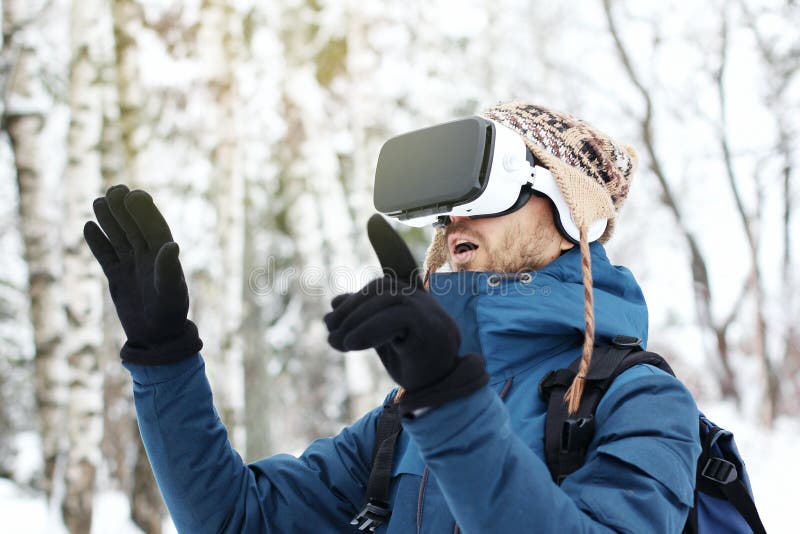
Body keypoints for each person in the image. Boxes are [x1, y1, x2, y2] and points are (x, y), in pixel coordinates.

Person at [83, 102, 700, 533]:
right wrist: (164, 358)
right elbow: (238, 519)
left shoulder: (640, 401)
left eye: (486, 191)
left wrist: (447, 400)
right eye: (448, 204)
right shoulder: (403, 419)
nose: (455, 220)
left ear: (572, 218)